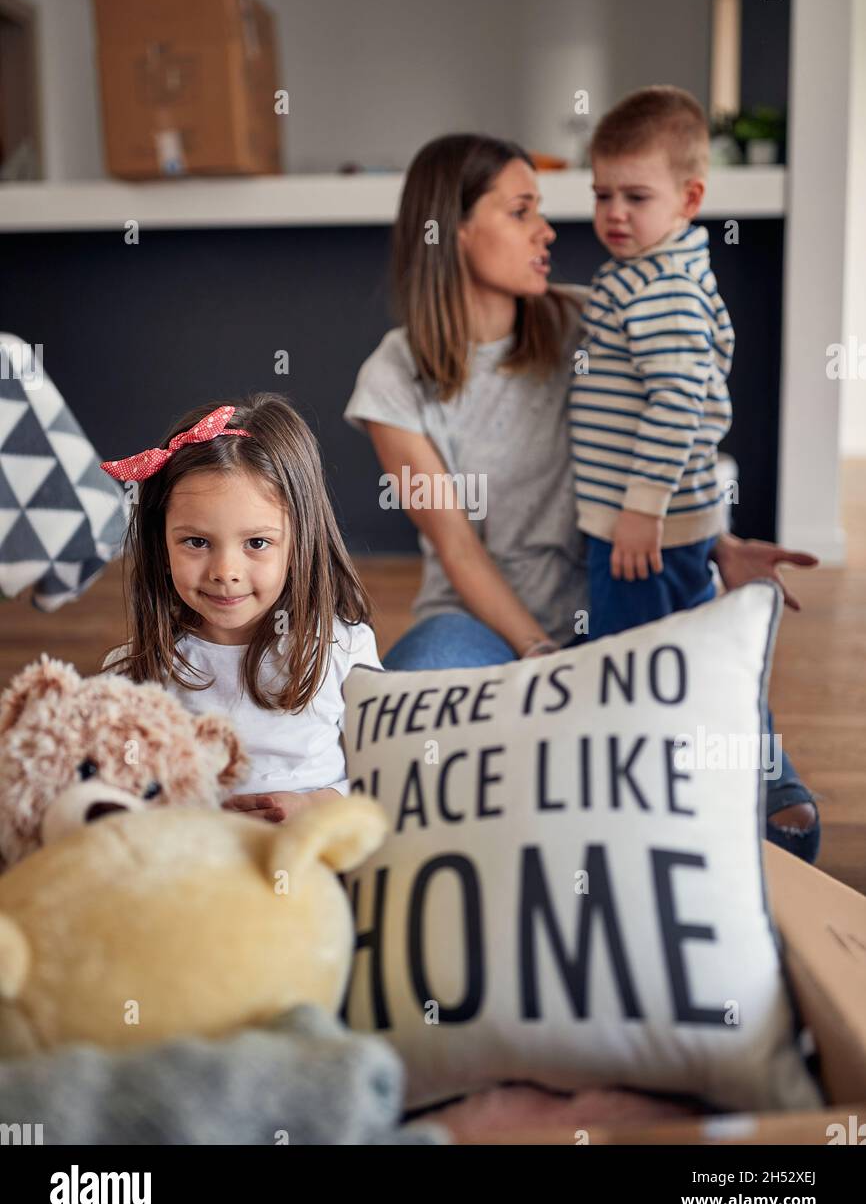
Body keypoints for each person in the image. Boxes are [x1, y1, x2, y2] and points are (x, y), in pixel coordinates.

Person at [344, 132, 820, 860]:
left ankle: (753, 811)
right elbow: (456, 546)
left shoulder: (589, 323)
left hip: (613, 602)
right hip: (481, 623)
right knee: (404, 718)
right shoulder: (392, 378)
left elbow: (673, 435)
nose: (548, 231)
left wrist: (714, 544)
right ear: (455, 228)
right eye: (521, 210)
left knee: (753, 790)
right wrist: (539, 655)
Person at [101, 394, 380, 823]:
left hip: (309, 861)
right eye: (196, 542)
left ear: (300, 541)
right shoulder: (135, 671)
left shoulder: (341, 649)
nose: (225, 571)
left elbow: (385, 773)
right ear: (162, 542)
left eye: (257, 543)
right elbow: (116, 792)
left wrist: (314, 806)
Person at [571, 86, 734, 638]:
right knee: (665, 651)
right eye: (602, 195)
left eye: (636, 198)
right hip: (640, 519)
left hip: (643, 526)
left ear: (689, 199)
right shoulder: (642, 272)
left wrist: (643, 510)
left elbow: (677, 402)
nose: (615, 213)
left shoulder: (664, 286)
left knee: (632, 660)